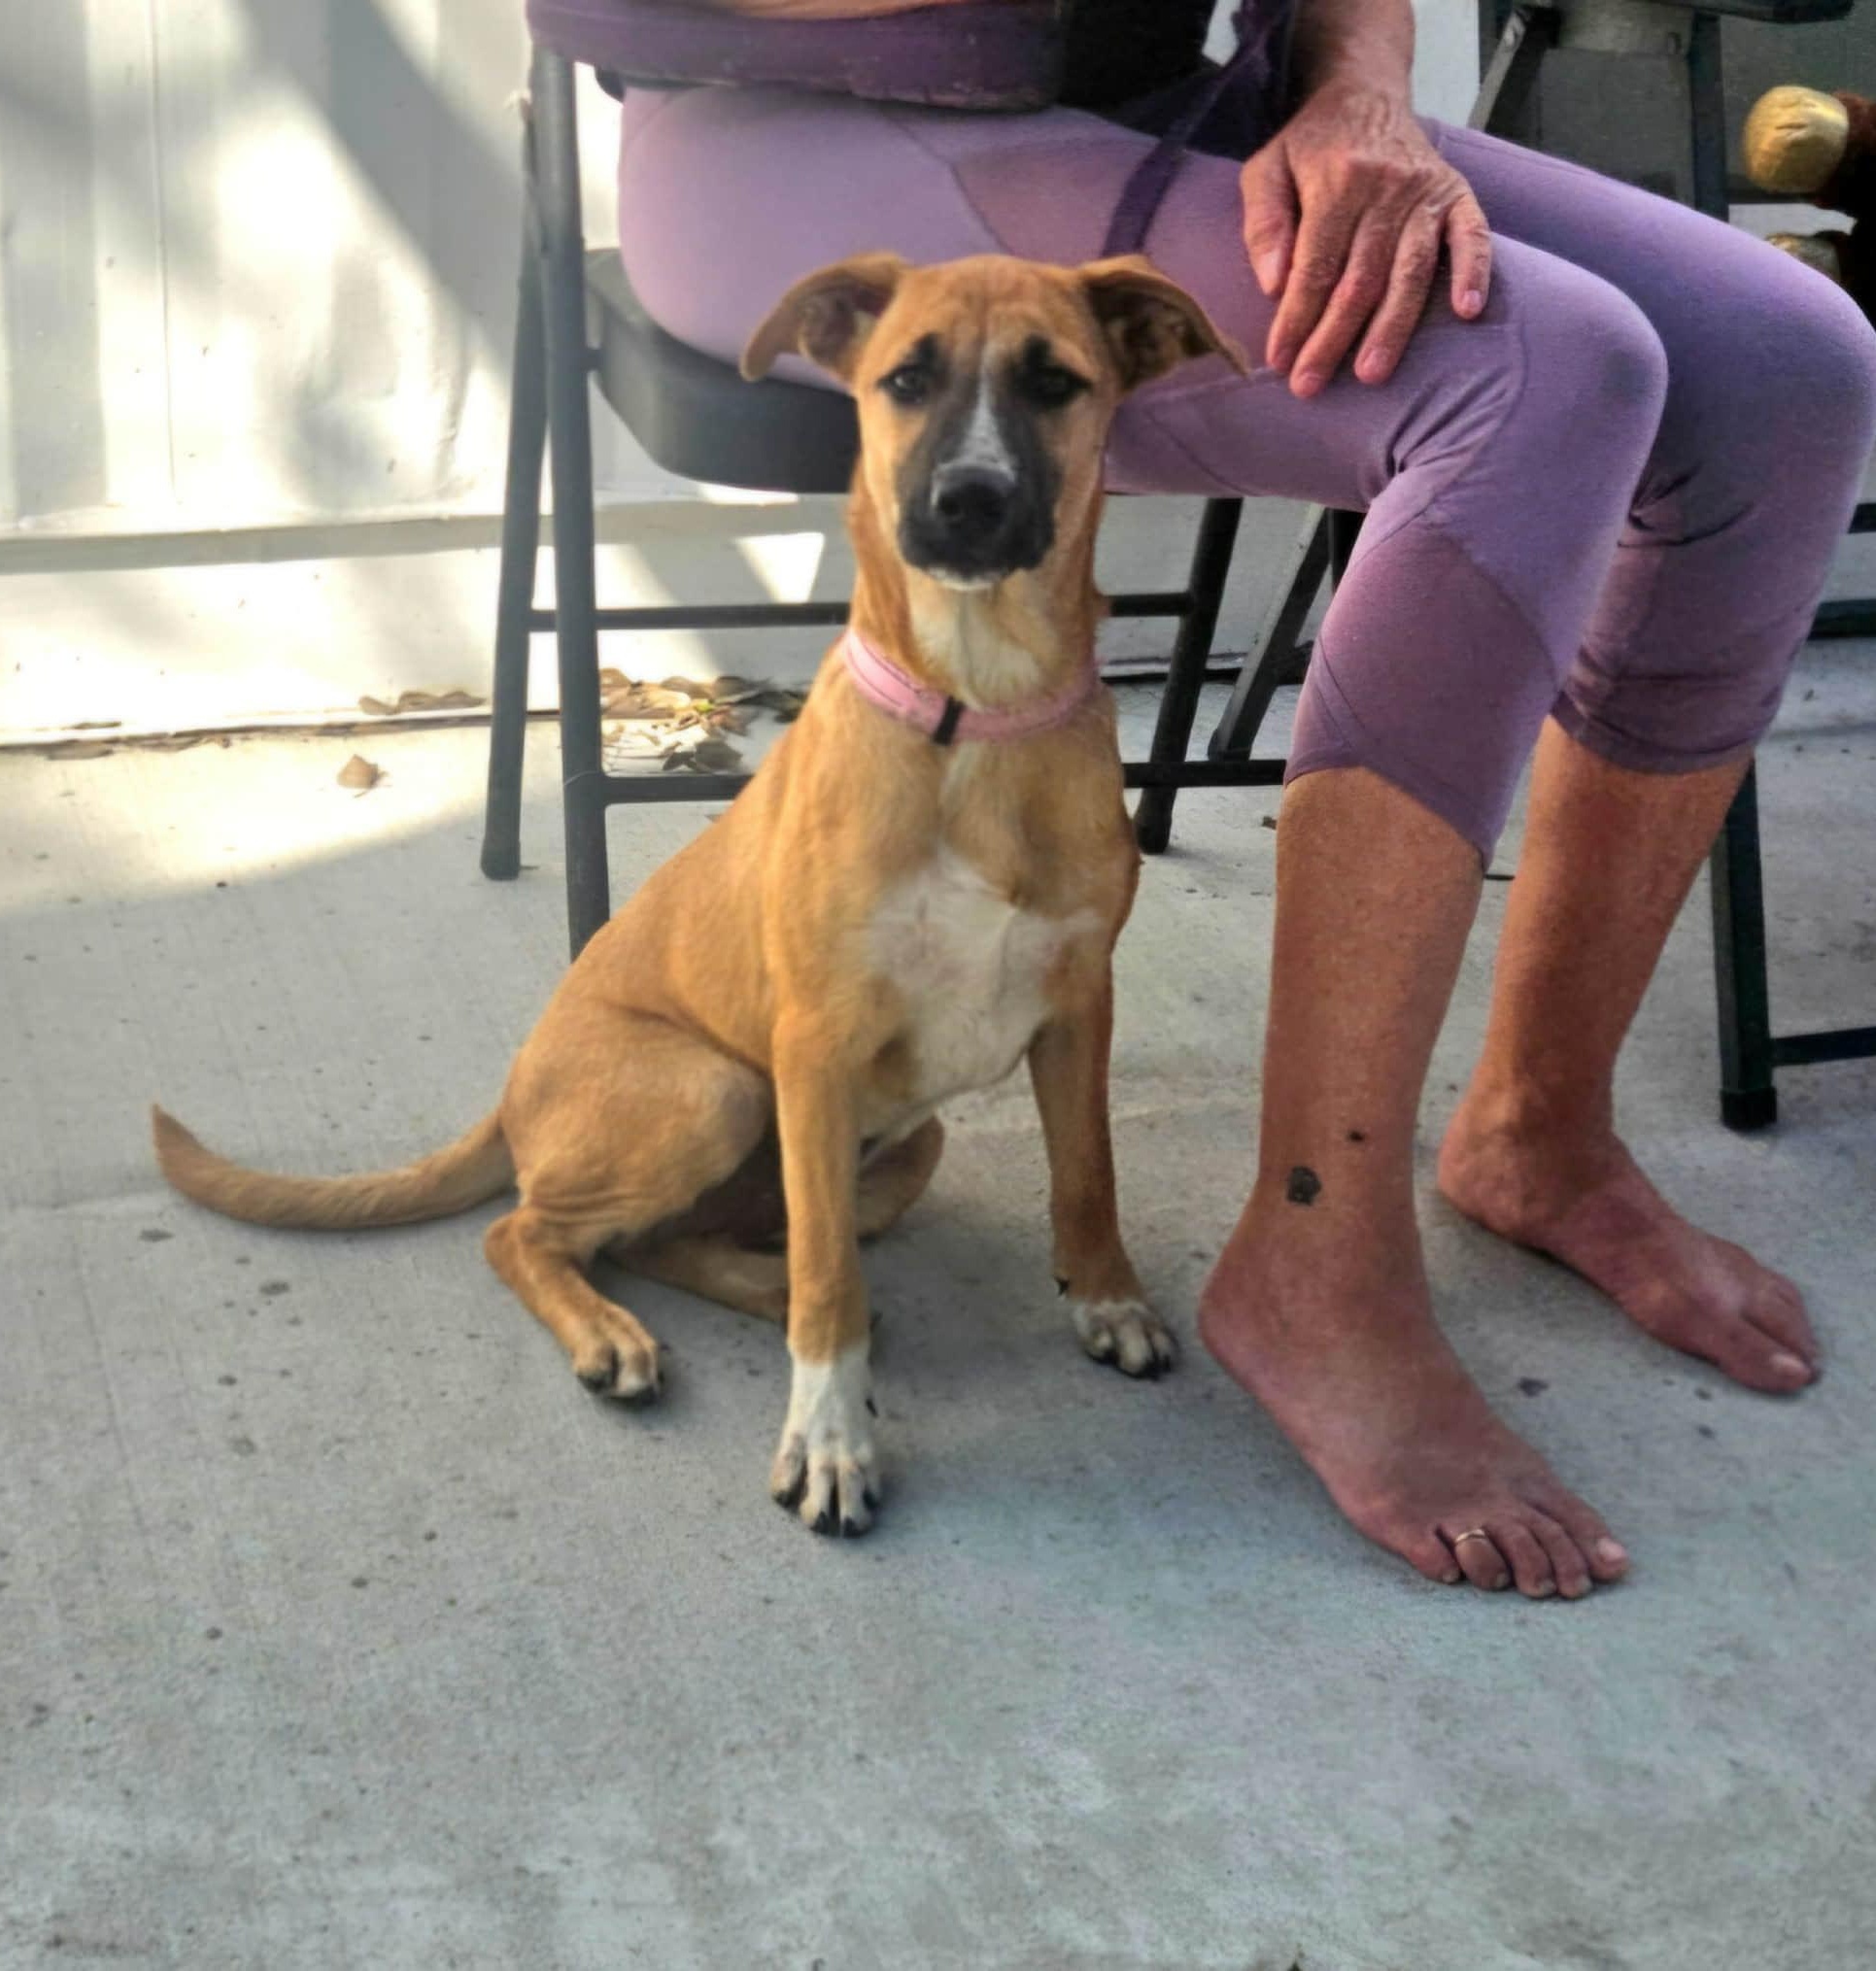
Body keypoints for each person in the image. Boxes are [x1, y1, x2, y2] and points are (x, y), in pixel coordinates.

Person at [605, 0, 1876, 1596]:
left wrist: (1355, 87)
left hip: (1192, 100)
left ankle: (1537, 1130)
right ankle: (1317, 1259)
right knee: (1543, 374)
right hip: (797, 117)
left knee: (1786, 368)